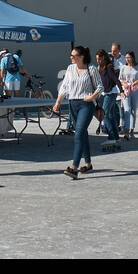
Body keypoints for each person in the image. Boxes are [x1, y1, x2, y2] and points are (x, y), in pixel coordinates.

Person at [51, 46, 102, 179]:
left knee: (78, 133)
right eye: (71, 55)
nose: (71, 58)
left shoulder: (91, 69)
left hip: (86, 105)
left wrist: (91, 98)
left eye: (73, 56)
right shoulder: (70, 68)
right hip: (72, 103)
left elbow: (100, 87)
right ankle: (88, 164)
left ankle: (74, 168)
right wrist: (57, 102)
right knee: (82, 134)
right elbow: (65, 86)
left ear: (81, 57)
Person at [95, 51, 122, 148]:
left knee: (104, 115)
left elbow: (116, 79)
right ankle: (116, 137)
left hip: (111, 93)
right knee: (110, 116)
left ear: (104, 58)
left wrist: (122, 90)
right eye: (97, 59)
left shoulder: (108, 67)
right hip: (106, 93)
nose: (97, 61)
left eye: (99, 59)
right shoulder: (99, 68)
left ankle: (111, 138)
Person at [119, 51, 138, 139]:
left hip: (135, 90)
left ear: (133, 58)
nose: (127, 59)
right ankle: (126, 130)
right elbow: (120, 79)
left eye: (129, 57)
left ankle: (132, 129)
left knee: (133, 110)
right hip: (126, 90)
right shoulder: (123, 67)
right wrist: (124, 84)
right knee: (127, 109)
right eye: (126, 57)